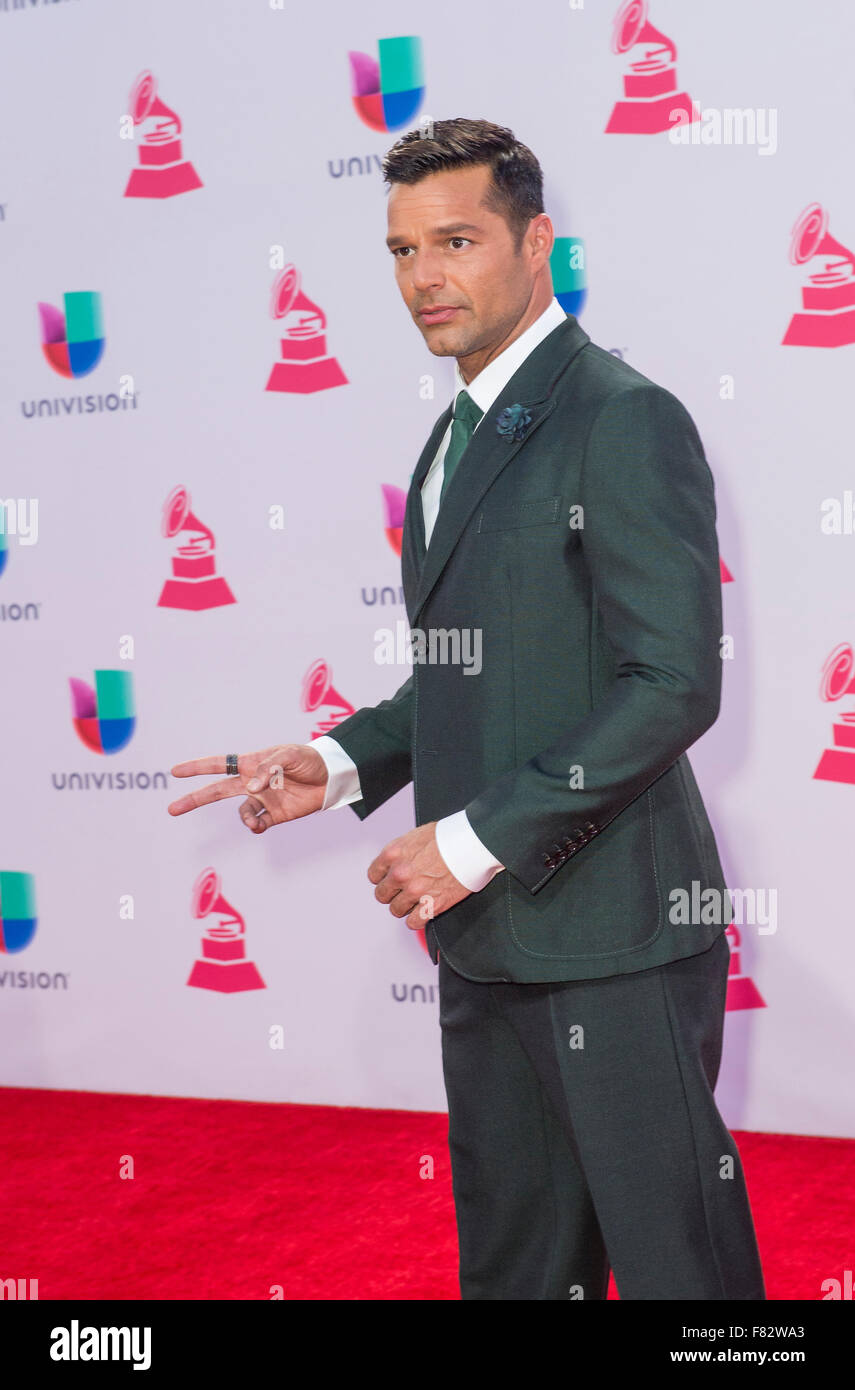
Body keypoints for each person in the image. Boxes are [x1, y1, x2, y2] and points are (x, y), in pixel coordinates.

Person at [169, 117, 765, 1302]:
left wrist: (470, 838)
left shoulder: (622, 417)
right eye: (400, 250)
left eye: (456, 240)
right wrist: (337, 762)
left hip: (615, 943)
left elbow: (674, 683)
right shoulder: (454, 435)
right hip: (484, 940)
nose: (424, 277)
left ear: (536, 242)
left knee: (677, 1276)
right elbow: (469, 672)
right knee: (512, 1271)